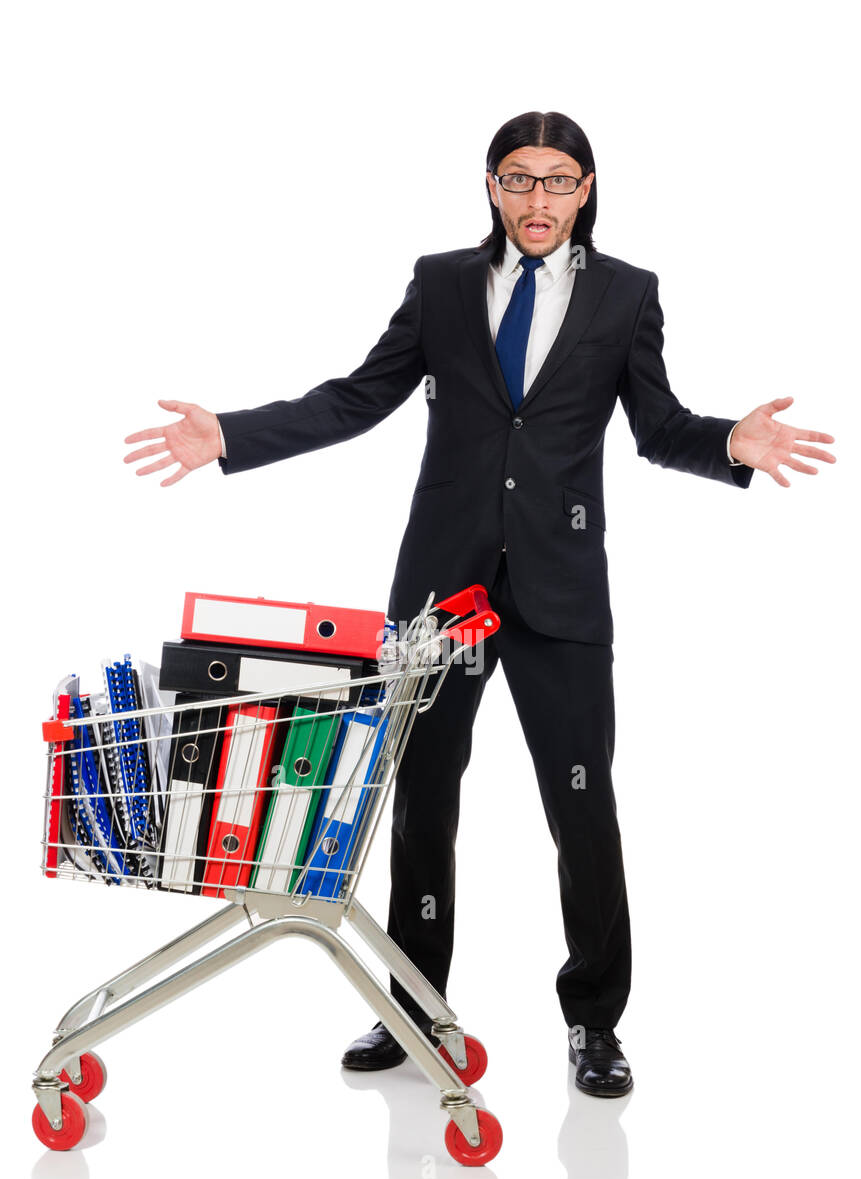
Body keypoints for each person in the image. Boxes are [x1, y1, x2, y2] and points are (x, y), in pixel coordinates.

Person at [124, 110, 834, 1097]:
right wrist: (232, 436)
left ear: (586, 189)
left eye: (558, 179)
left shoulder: (628, 293)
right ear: (492, 186)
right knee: (420, 800)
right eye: (518, 178)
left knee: (581, 807)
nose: (538, 198)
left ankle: (594, 1021)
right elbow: (358, 397)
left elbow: (657, 425)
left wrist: (726, 443)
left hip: (560, 592)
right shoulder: (442, 283)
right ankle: (415, 1007)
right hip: (439, 590)